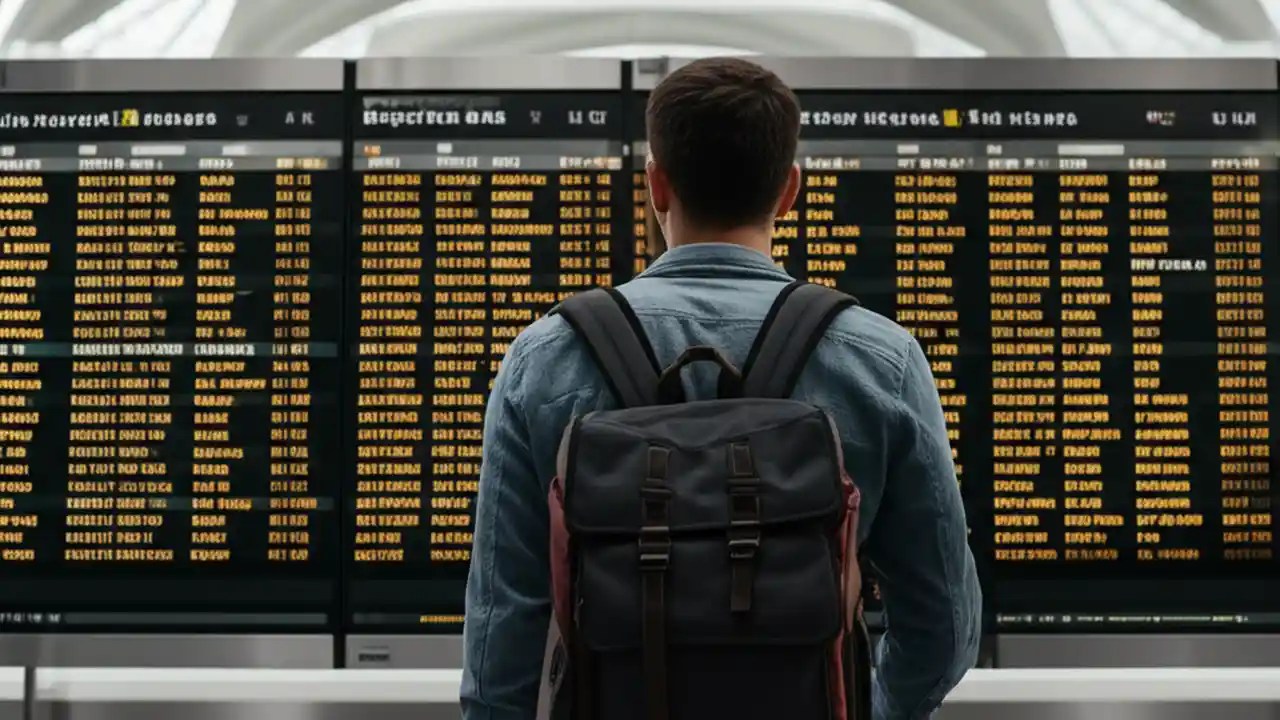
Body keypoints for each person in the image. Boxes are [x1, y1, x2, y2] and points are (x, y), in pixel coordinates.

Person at [462, 56, 982, 719]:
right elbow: (944, 628)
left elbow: (502, 638)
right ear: (790, 190)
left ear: (656, 185)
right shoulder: (881, 360)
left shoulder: (544, 359)